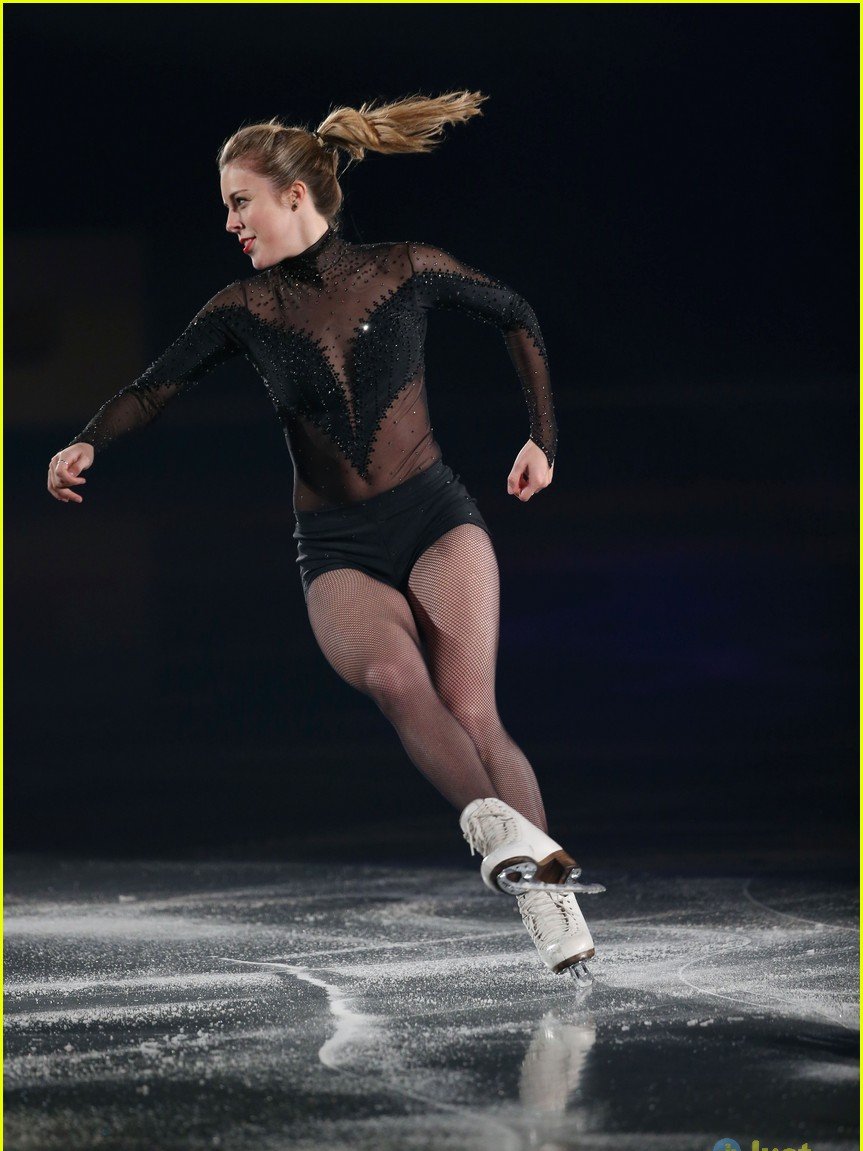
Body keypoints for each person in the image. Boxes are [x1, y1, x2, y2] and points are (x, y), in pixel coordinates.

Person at [46, 89, 601, 980]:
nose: (230, 222)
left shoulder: (405, 268)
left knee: (473, 713)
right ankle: (501, 837)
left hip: (435, 519)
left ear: (295, 195)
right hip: (340, 546)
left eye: (240, 202)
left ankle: (551, 900)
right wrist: (87, 440)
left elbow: (515, 314)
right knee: (392, 676)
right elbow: (151, 389)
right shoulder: (242, 307)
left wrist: (542, 438)